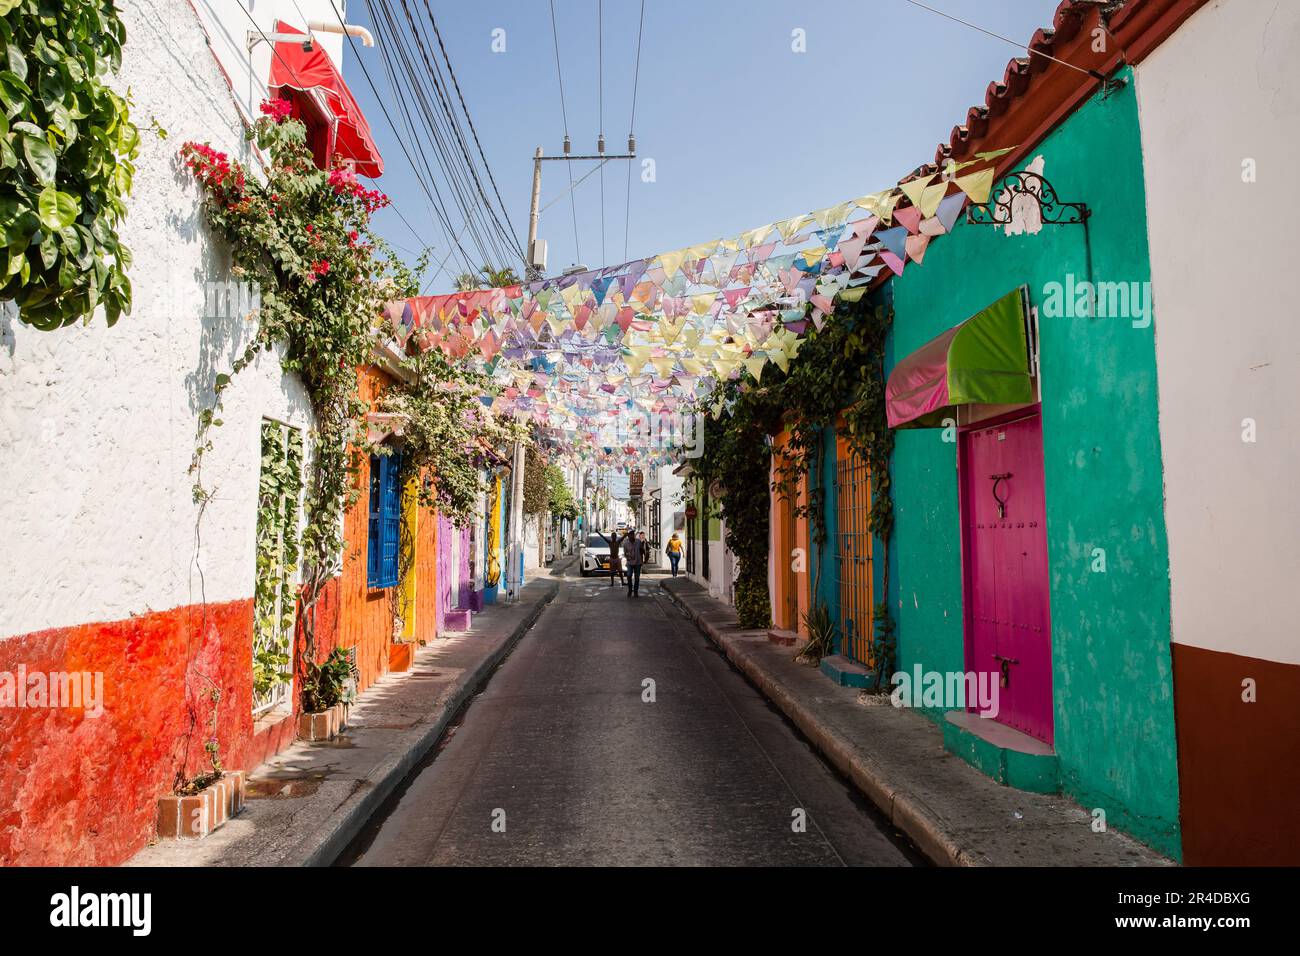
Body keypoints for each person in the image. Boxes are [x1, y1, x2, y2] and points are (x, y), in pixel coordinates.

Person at [622, 529, 645, 597]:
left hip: (638, 562)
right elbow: (625, 553)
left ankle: (635, 591)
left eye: (633, 535)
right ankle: (630, 589)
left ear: (634, 535)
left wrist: (643, 559)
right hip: (630, 562)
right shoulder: (625, 543)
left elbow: (641, 550)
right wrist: (627, 557)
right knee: (629, 575)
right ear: (628, 536)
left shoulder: (638, 542)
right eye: (630, 535)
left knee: (637, 577)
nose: (631, 536)